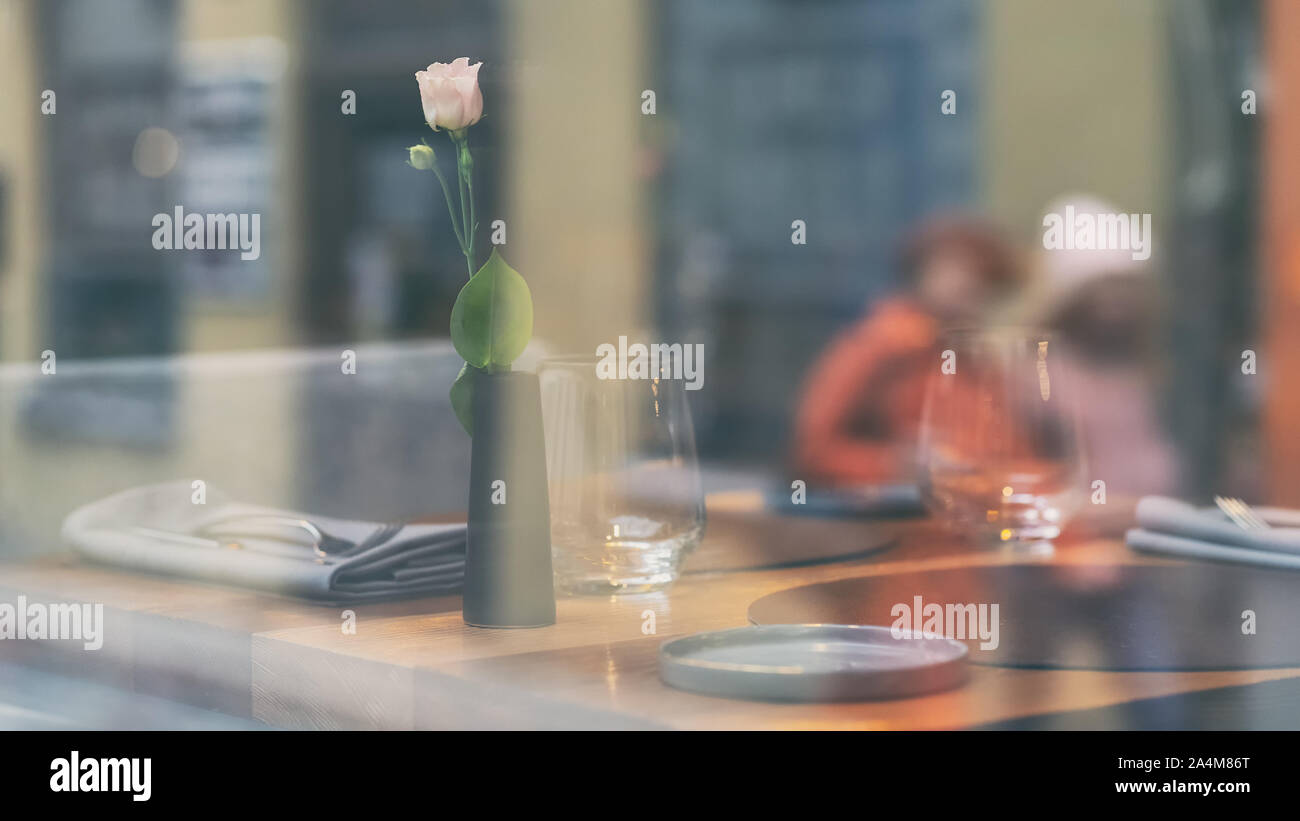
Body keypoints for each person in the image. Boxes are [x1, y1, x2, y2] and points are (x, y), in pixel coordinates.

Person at [793, 216, 1023, 486]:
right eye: (959, 269)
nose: (970, 285)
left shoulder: (978, 363)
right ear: (924, 269)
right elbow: (813, 449)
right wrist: (889, 464)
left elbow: (1012, 453)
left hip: (967, 514)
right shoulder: (882, 344)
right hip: (891, 518)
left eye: (984, 278)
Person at [1031, 194, 1179, 501]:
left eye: (1125, 288)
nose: (1116, 304)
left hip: (1156, 524)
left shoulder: (1152, 371)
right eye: (1103, 289)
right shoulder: (1041, 378)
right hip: (1080, 532)